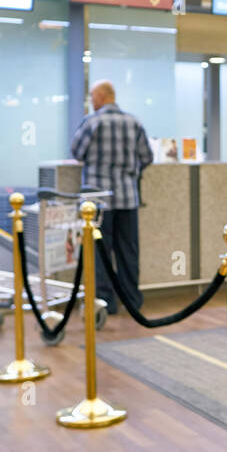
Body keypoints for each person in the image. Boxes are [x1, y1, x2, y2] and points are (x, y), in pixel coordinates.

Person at [69, 80, 153, 317]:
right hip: (128, 197)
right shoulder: (134, 122)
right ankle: (132, 300)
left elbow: (76, 152)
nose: (91, 101)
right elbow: (147, 156)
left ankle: (105, 302)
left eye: (93, 96)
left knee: (100, 252)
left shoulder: (92, 122)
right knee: (129, 250)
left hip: (98, 201)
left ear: (102, 96)